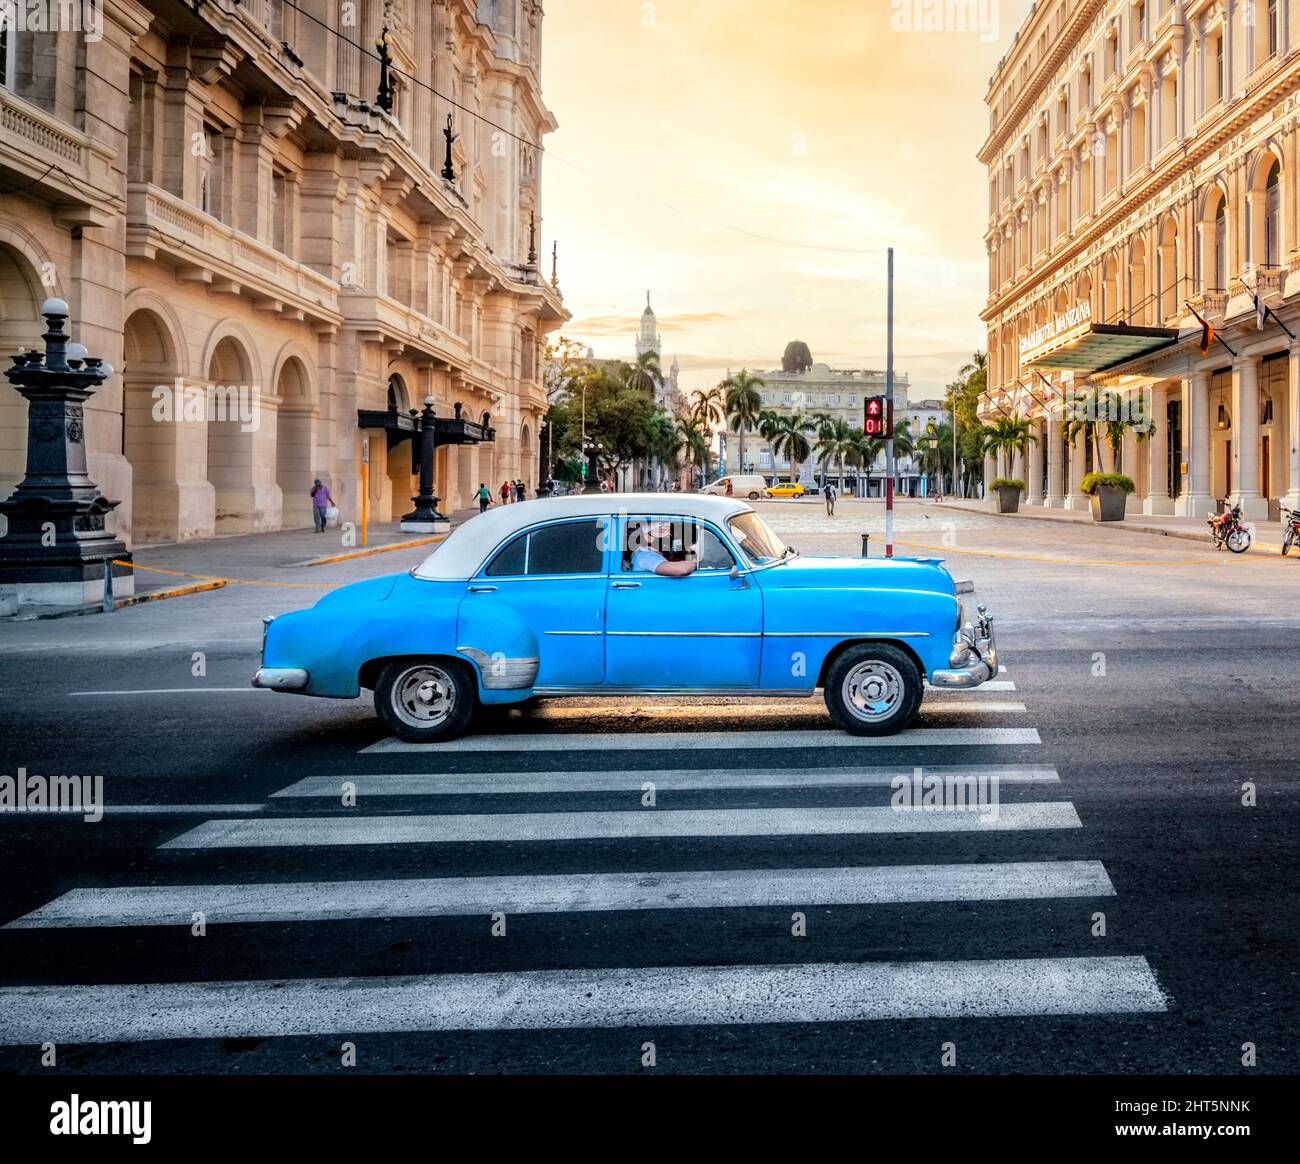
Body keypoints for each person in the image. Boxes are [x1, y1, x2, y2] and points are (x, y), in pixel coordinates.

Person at [630, 520, 697, 577]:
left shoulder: (657, 553)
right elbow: (681, 569)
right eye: (662, 531)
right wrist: (697, 564)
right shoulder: (645, 556)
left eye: (669, 531)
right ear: (648, 537)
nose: (668, 535)